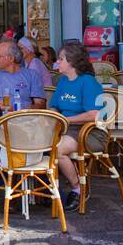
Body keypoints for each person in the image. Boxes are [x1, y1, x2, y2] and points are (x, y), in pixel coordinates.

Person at [48, 41, 104, 213]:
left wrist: (66, 119)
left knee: (57, 150)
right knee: (37, 144)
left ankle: (78, 188)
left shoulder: (88, 82)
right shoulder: (63, 81)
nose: (57, 62)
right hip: (66, 128)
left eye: (61, 59)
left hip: (89, 131)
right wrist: (54, 114)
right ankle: (44, 190)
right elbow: (54, 105)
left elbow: (94, 115)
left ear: (71, 61)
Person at [0, 41, 46, 111]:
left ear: (11, 58)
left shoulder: (31, 75)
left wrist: (16, 108)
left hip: (21, 119)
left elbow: (41, 106)